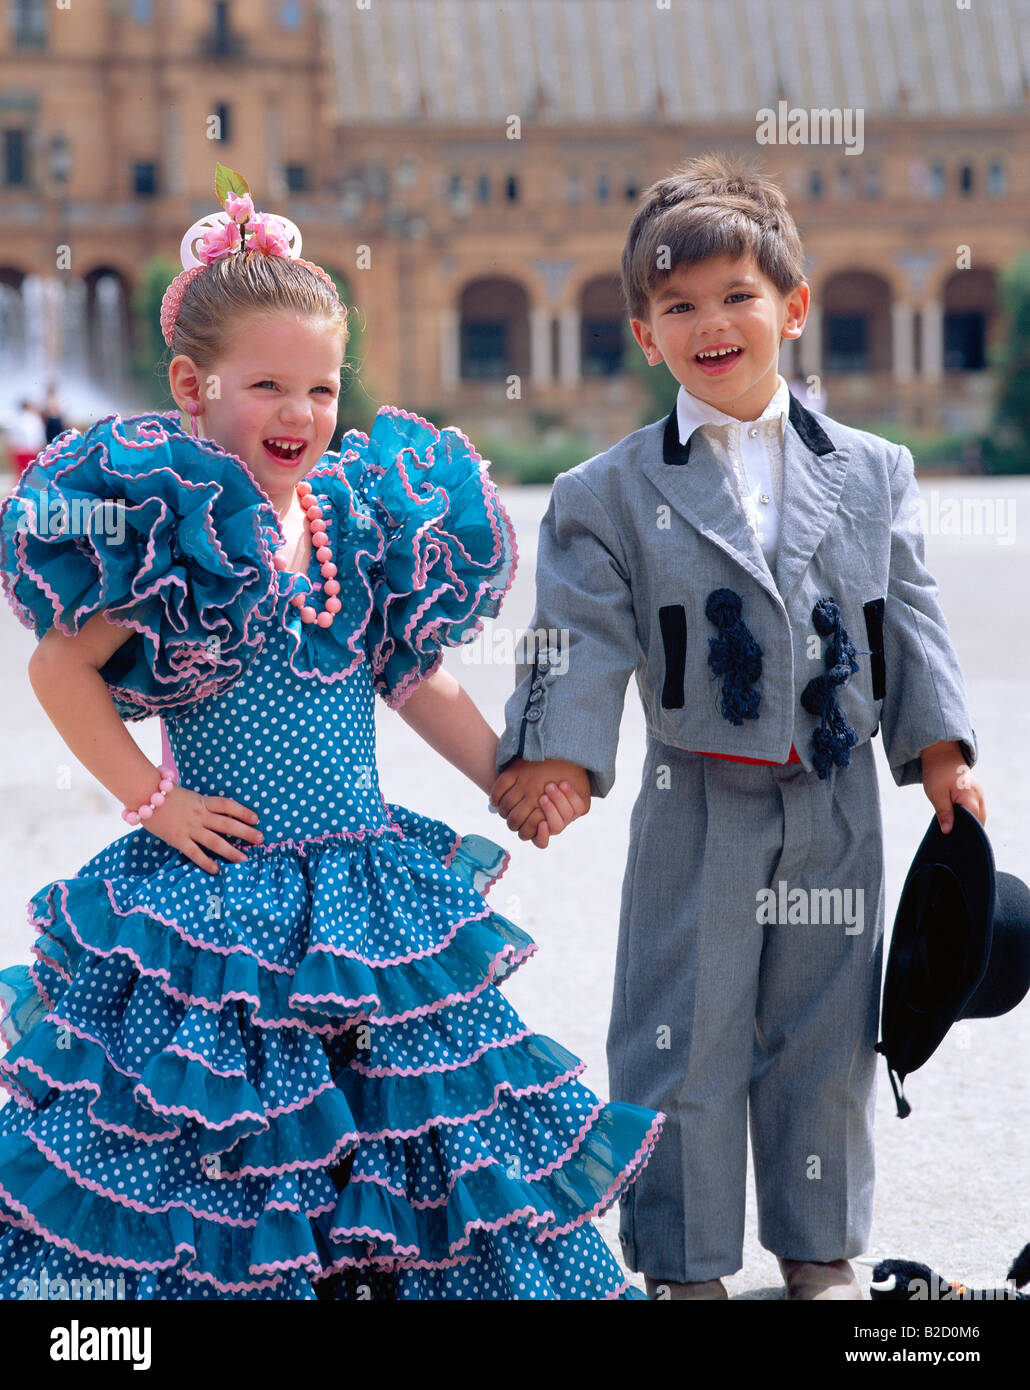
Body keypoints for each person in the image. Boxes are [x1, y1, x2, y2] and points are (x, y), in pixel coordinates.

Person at [0, 171, 664, 1300]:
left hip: (366, 878)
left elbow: (412, 676)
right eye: (267, 386)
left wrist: (509, 778)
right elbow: (58, 666)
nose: (300, 413)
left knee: (419, 1108)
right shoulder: (177, 529)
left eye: (321, 385)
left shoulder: (358, 522)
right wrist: (152, 800)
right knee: (226, 1130)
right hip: (221, 886)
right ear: (190, 386)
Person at [491, 153, 987, 1301]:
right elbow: (578, 635)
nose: (710, 324)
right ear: (641, 331)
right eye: (678, 306)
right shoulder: (602, 492)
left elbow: (906, 615)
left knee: (824, 1033)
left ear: (793, 308)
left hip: (832, 794)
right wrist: (556, 758)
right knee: (680, 1034)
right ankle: (684, 1262)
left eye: (736, 298)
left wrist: (942, 755)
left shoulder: (872, 470)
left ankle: (820, 1251)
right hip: (694, 800)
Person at [4, 399, 45, 479]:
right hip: (32, 450)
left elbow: (10, 438)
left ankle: (20, 491)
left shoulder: (15, 419)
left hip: (19, 451)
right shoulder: (35, 419)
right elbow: (39, 436)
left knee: (20, 475)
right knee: (33, 475)